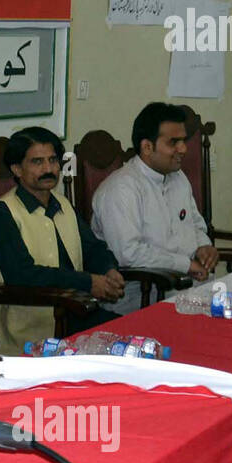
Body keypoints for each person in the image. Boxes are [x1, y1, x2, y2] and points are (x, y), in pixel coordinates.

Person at [0, 126, 124, 355]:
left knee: (133, 339)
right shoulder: (5, 211)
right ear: (17, 169)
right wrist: (88, 283)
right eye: (37, 162)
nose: (48, 169)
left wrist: (109, 269)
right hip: (32, 329)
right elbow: (21, 274)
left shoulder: (62, 204)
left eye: (52, 160)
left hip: (76, 312)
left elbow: (92, 248)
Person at [91, 102, 219, 316]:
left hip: (189, 290)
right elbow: (129, 254)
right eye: (174, 142)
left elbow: (196, 225)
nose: (184, 149)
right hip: (141, 299)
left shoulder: (178, 177)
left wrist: (203, 247)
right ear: (147, 147)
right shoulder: (121, 189)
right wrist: (185, 265)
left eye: (184, 141)